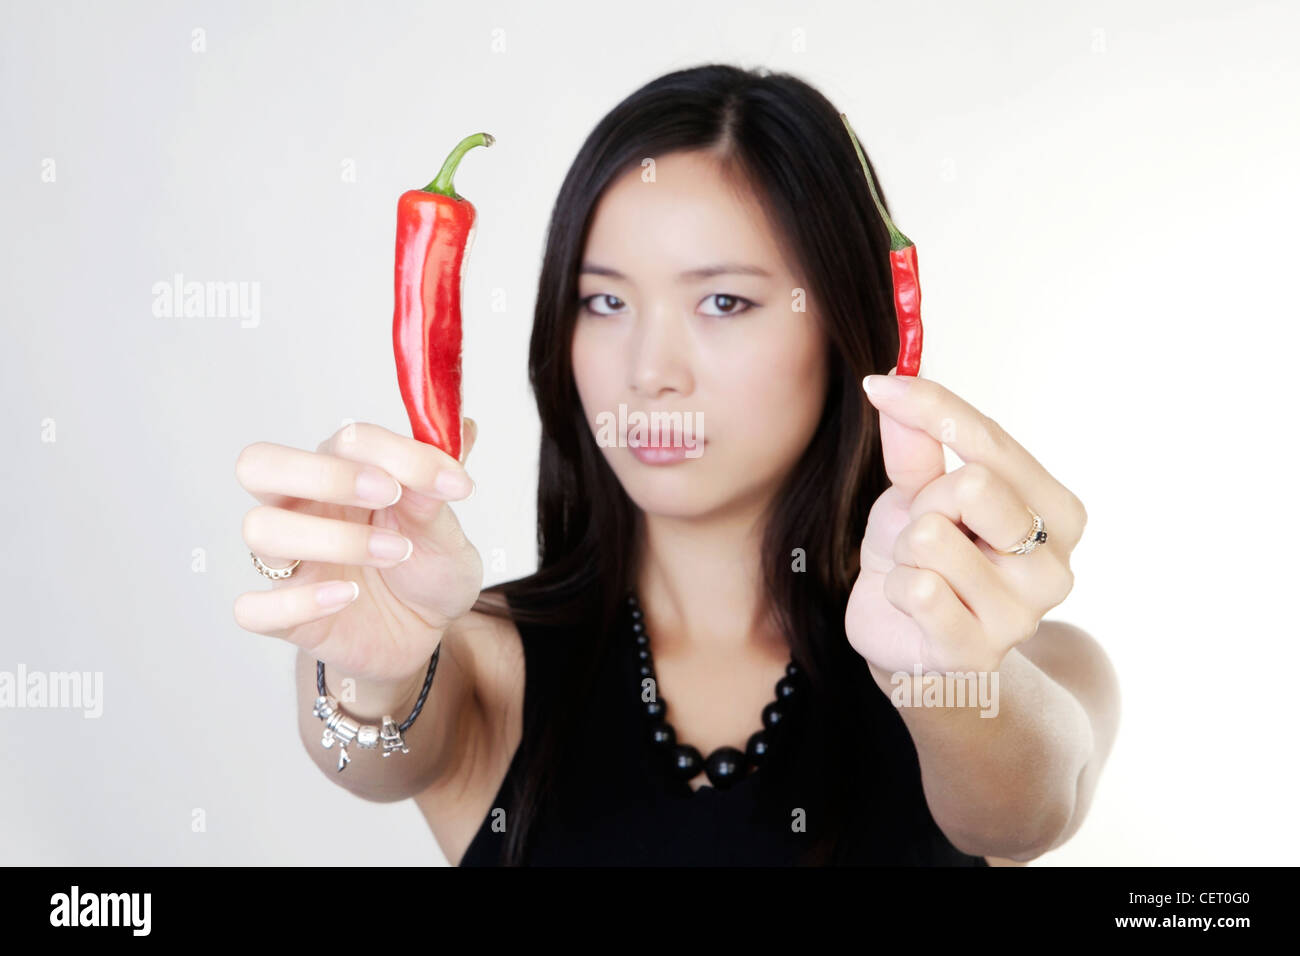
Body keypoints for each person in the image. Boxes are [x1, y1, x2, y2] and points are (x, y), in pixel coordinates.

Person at [234, 63, 1119, 866]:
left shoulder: (1026, 663)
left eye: (724, 301)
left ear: (844, 328)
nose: (649, 371)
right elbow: (386, 755)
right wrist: (371, 670)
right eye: (605, 300)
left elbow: (1021, 816)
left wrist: (940, 676)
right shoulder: (487, 660)